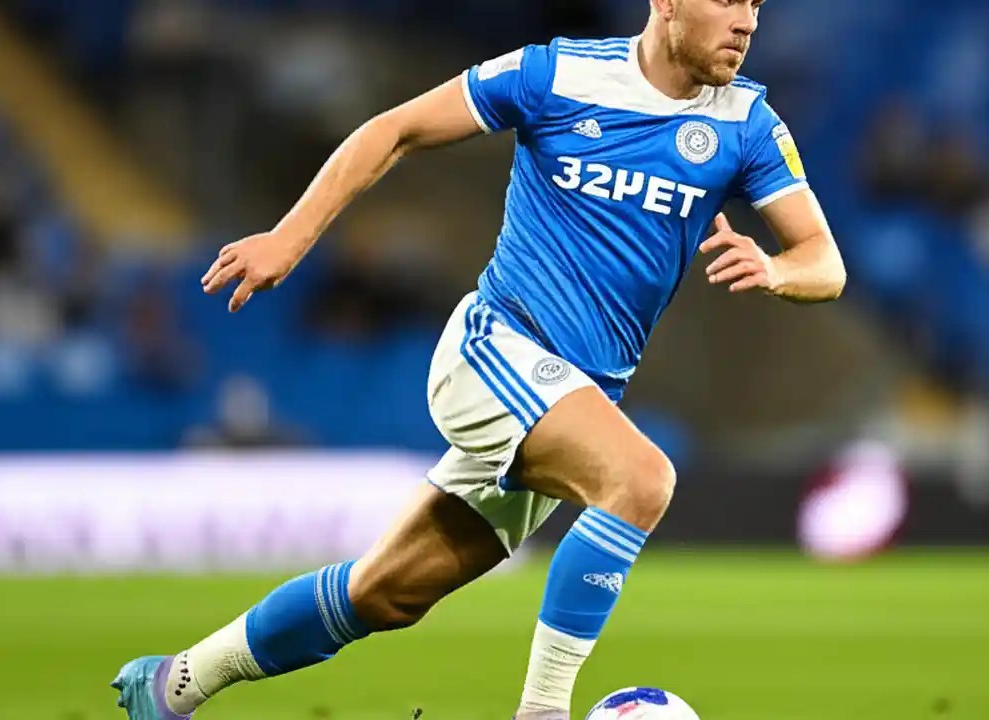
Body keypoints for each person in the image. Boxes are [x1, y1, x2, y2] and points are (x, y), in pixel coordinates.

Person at [110, 1, 845, 718]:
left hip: (577, 398)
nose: (748, 19)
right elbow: (395, 130)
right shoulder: (554, 75)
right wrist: (290, 237)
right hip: (496, 349)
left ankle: (174, 684)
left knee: (383, 594)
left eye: (756, 2)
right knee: (642, 479)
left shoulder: (748, 123)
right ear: (666, 3)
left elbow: (824, 261)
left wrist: (779, 271)